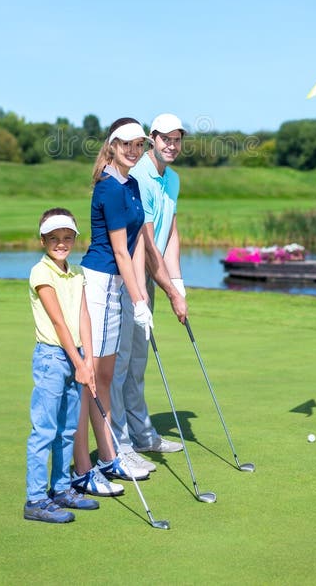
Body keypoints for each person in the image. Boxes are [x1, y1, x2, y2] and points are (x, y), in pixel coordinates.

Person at [72, 118, 155, 497]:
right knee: (93, 378)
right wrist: (137, 300)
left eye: (139, 145)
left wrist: (140, 296)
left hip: (118, 285)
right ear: (112, 146)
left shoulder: (131, 184)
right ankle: (84, 467)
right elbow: (119, 251)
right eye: (127, 144)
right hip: (100, 284)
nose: (134, 151)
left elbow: (136, 247)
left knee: (104, 377)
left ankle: (108, 457)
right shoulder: (108, 187)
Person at [110, 112, 188, 469]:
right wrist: (171, 292)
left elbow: (170, 234)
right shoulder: (139, 174)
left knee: (138, 361)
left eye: (177, 139)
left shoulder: (172, 179)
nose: (171, 145)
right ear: (152, 139)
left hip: (151, 278)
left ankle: (142, 435)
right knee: (122, 362)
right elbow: (148, 241)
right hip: (128, 279)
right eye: (165, 138)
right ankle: (120, 443)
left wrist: (178, 283)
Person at [24, 207, 98, 524]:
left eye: (67, 237)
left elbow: (83, 317)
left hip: (76, 355)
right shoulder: (40, 273)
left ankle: (61, 489)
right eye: (53, 237)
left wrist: (89, 360)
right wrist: (78, 362)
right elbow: (58, 322)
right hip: (52, 358)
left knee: (67, 429)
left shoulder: (77, 273)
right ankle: (35, 499)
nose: (61, 243)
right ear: (43, 240)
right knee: (45, 430)